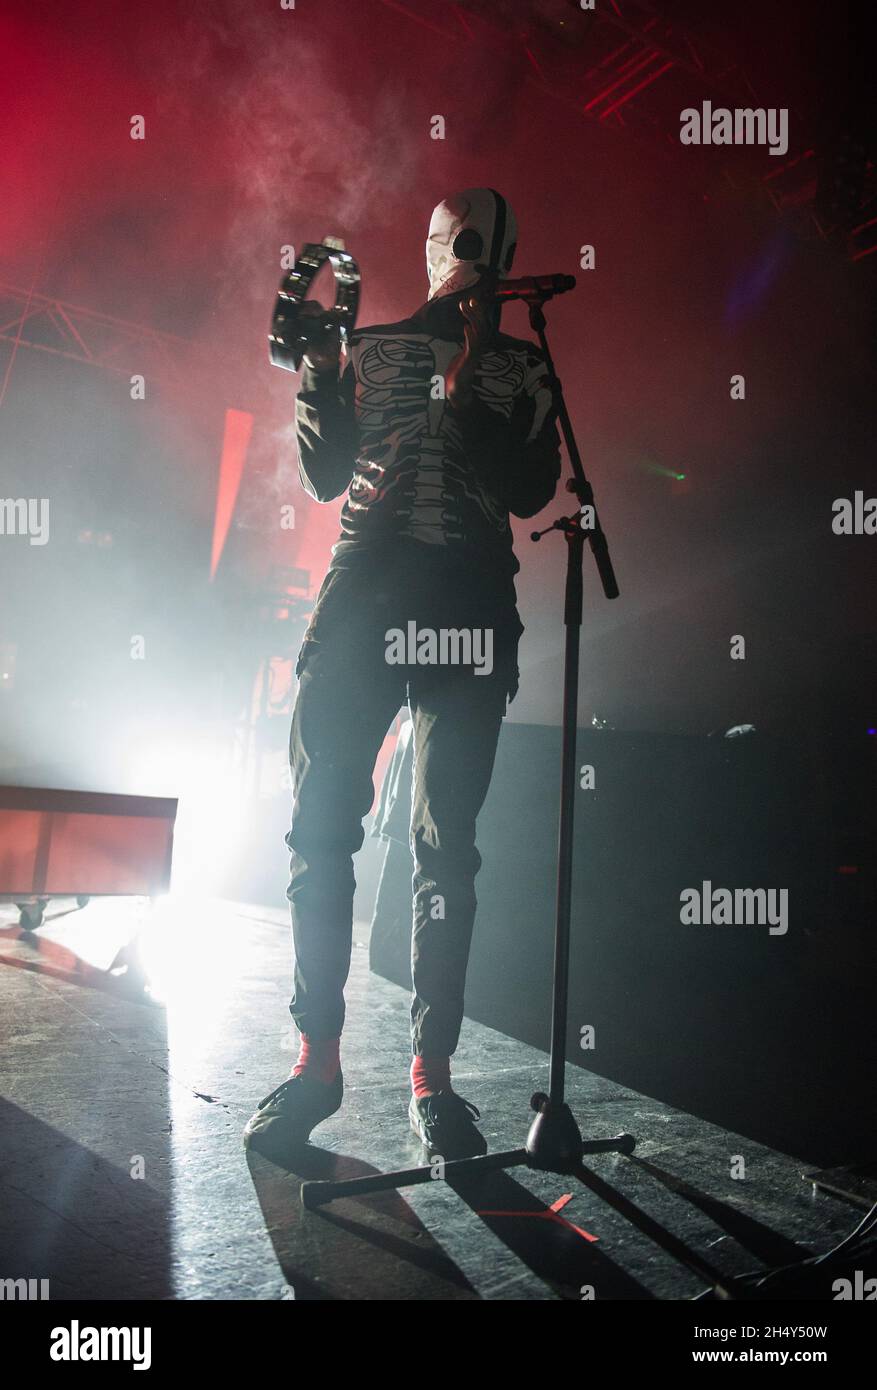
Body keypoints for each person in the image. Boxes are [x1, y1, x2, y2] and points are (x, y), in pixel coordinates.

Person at [244, 188, 561, 1162]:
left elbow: (531, 487)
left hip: (464, 610)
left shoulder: (521, 365)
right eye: (464, 248)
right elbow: (327, 472)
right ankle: (316, 1060)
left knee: (441, 848)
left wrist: (474, 387)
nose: (475, 266)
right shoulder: (373, 347)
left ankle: (432, 1076)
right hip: (365, 602)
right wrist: (319, 365)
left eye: (487, 253)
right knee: (321, 825)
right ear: (435, 251)